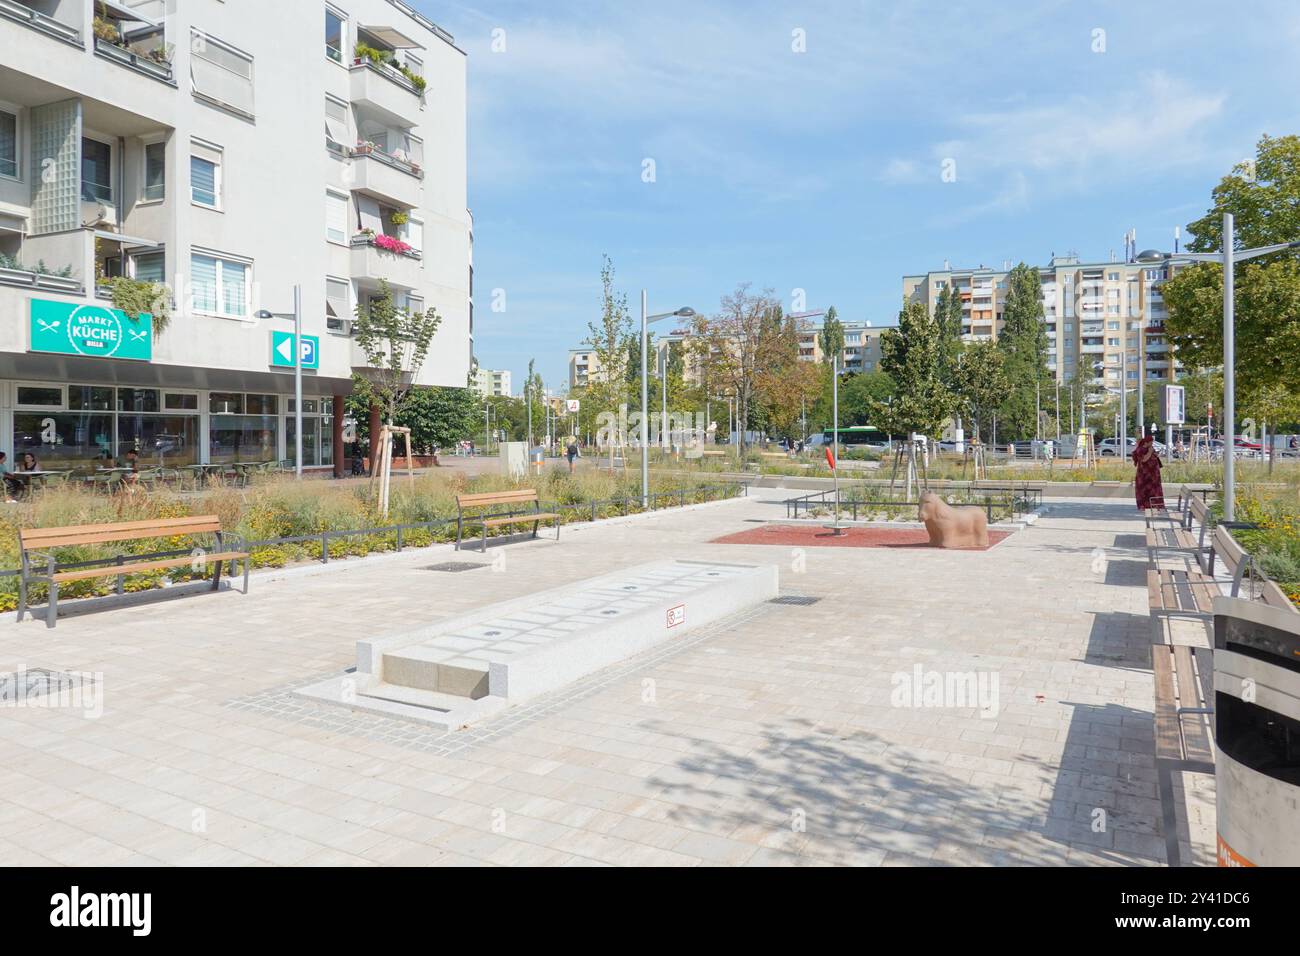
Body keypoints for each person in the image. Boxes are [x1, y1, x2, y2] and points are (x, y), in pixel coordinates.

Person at [1131, 434, 1165, 511]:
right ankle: (1144, 506)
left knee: (1154, 490)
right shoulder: (1140, 449)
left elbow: (1153, 457)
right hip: (1144, 474)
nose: (1152, 443)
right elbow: (1143, 459)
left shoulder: (1150, 448)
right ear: (1147, 442)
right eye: (1151, 442)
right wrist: (1150, 452)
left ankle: (1155, 505)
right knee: (1144, 490)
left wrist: (1155, 454)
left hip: (1153, 475)